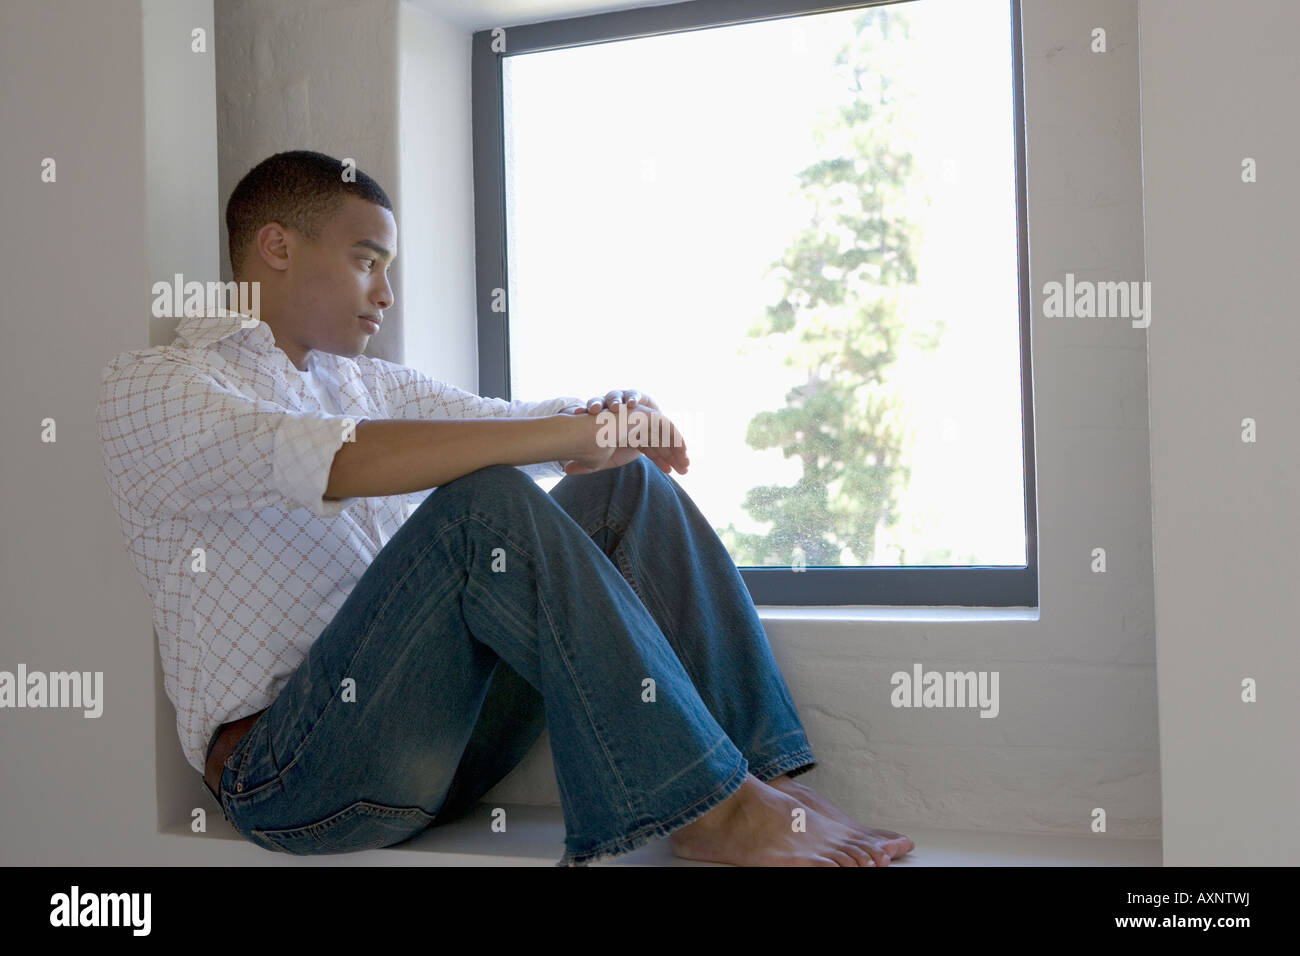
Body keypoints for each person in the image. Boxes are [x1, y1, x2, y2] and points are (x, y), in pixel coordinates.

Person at [96, 149, 914, 867]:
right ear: (276, 246)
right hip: (295, 778)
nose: (384, 293)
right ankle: (713, 806)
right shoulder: (160, 387)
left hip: (436, 747)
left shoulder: (367, 382)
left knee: (622, 485)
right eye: (366, 260)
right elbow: (338, 458)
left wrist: (606, 415)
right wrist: (568, 430)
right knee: (483, 502)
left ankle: (759, 785)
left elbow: (497, 420)